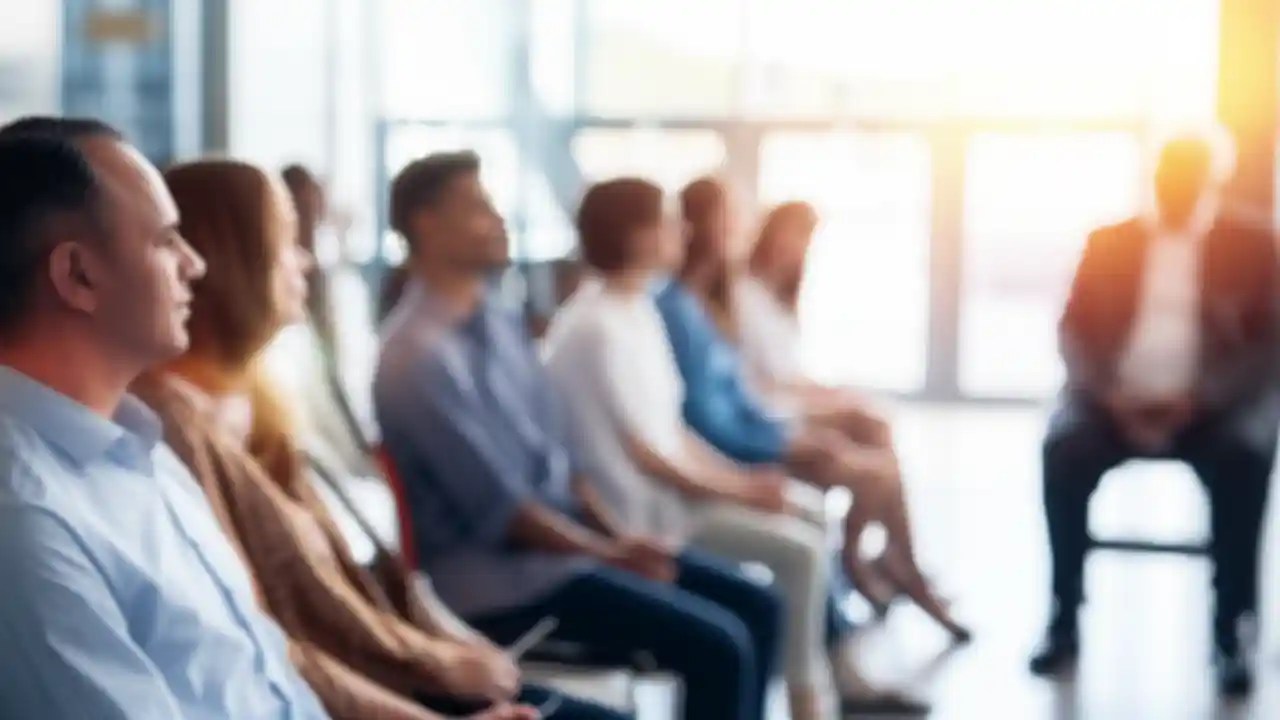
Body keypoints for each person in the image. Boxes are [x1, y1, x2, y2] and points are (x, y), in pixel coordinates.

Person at [136, 158, 551, 720]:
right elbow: (261, 644)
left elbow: (370, 590)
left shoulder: (260, 402)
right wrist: (434, 666)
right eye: (286, 240)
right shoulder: (170, 427)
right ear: (231, 259)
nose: (305, 258)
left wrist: (444, 653)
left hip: (379, 676)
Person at [375, 152, 783, 720]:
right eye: (477, 206)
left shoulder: (498, 320)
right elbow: (504, 510)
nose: (498, 218)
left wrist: (619, 539)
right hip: (501, 585)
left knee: (757, 605)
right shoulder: (415, 358)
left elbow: (559, 460)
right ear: (425, 223)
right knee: (720, 646)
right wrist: (610, 551)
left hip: (566, 552)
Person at [544, 178, 929, 719]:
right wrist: (743, 486)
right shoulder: (597, 326)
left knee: (805, 521)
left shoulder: (637, 310)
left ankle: (823, 680)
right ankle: (810, 698)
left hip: (668, 496)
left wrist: (742, 482)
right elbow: (649, 455)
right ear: (636, 235)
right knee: (799, 552)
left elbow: (674, 432)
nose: (682, 231)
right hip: (641, 516)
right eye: (668, 221)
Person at [0, 117, 328, 718]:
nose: (195, 265)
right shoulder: (29, 519)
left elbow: (265, 683)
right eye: (166, 240)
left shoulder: (139, 444)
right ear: (78, 275)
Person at [657, 177, 969, 642]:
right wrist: (780, 441)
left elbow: (737, 397)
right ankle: (871, 573)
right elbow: (709, 419)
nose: (744, 229)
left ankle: (881, 572)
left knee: (870, 442)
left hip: (754, 429)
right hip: (738, 447)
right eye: (732, 219)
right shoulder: (679, 308)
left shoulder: (707, 302)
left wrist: (793, 428)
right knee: (871, 471)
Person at [1030, 130, 1280, 696]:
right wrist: (1108, 394)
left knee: (1246, 458)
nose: (1175, 193)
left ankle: (1230, 629)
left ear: (1207, 184)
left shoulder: (1253, 244)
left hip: (1210, 412)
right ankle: (1063, 617)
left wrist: (1201, 399)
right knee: (1062, 451)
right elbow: (1073, 333)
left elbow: (1268, 349)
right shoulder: (1109, 242)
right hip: (1112, 404)